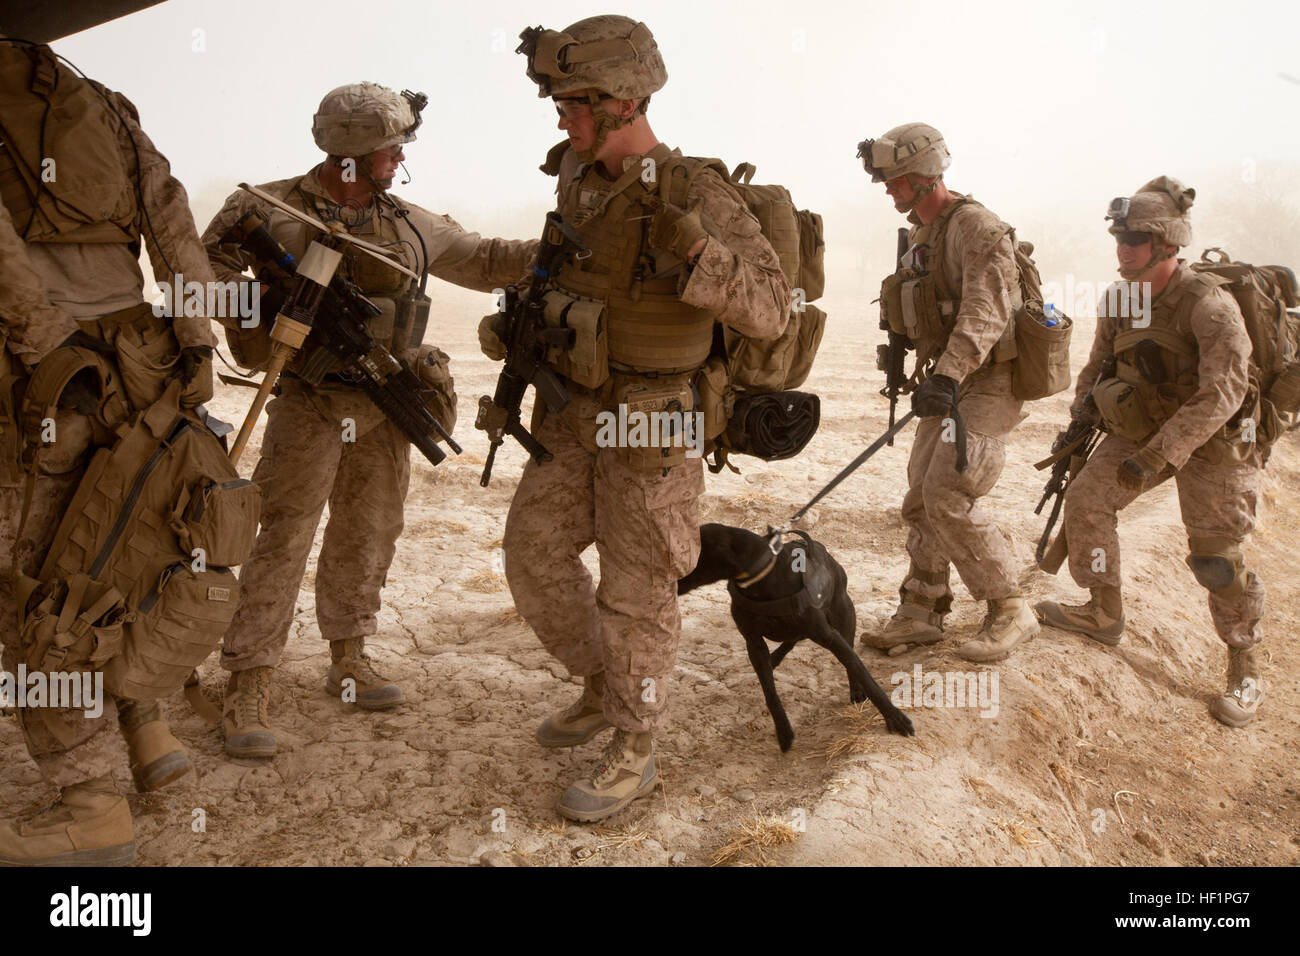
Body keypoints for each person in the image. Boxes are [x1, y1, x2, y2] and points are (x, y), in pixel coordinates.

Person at [487, 15, 789, 822]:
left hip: (654, 427)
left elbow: (771, 309)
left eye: (573, 103)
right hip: (571, 411)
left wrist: (698, 255)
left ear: (623, 100)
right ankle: (602, 682)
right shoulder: (578, 181)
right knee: (532, 553)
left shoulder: (697, 191)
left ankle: (635, 743)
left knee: (639, 590)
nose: (561, 118)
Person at [203, 82, 536, 757]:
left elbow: (487, 259)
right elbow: (195, 274)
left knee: (370, 526)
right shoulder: (264, 209)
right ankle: (249, 678)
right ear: (349, 153)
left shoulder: (412, 223)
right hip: (307, 398)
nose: (400, 159)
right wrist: (262, 298)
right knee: (283, 533)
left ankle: (350, 656)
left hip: (384, 403)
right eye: (390, 149)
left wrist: (565, 247)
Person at [0, 38, 216, 864]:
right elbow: (173, 220)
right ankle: (147, 728)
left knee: (37, 588)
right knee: (129, 548)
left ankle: (89, 807)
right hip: (143, 358)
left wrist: (47, 348)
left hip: (46, 381)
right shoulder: (107, 103)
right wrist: (193, 336)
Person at [1036, 177, 1266, 727]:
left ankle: (1244, 666)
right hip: (1142, 429)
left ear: (1167, 244)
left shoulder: (1210, 307)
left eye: (1136, 237)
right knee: (1088, 499)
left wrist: (1161, 455)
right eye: (1119, 235)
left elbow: (1223, 394)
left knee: (1216, 561)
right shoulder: (1120, 297)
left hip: (1213, 441)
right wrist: (1078, 423)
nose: (1123, 247)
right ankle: (1102, 611)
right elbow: (1098, 367)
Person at [857, 123, 1040, 662]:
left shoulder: (976, 228)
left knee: (949, 493)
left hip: (990, 381)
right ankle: (923, 606)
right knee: (919, 493)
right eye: (888, 181)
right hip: (952, 379)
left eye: (898, 180)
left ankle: (1010, 607)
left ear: (926, 174)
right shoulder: (925, 232)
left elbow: (988, 311)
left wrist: (949, 374)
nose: (891, 190)